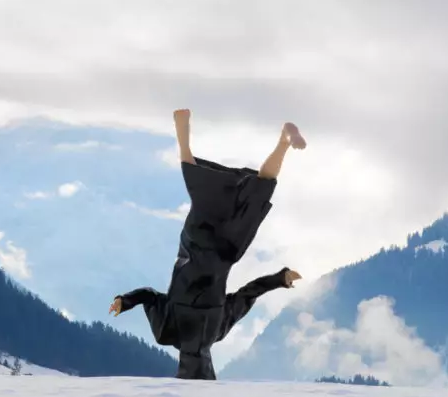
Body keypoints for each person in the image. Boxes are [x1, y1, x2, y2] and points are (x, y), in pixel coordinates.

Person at [109, 108, 306, 380]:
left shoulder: (173, 332)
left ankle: (184, 132)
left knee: (218, 191)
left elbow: (149, 296)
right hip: (221, 248)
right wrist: (279, 278)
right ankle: (283, 142)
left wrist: (125, 301)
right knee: (254, 192)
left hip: (208, 245)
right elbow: (248, 293)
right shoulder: (211, 330)